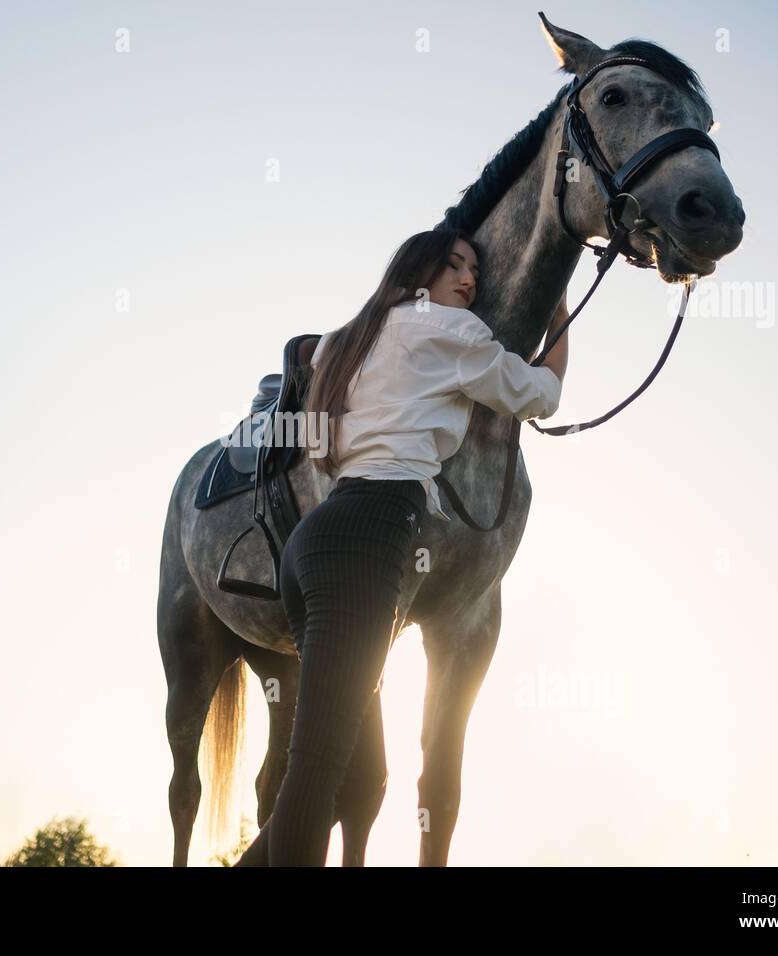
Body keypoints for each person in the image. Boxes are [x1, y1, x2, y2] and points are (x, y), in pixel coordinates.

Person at [232, 228, 568, 867]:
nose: (469, 280)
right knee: (317, 772)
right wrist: (560, 331)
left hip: (313, 547)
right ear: (419, 273)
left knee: (347, 774)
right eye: (454, 265)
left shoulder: (345, 341)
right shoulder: (445, 329)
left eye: (474, 268)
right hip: (368, 542)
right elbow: (539, 397)